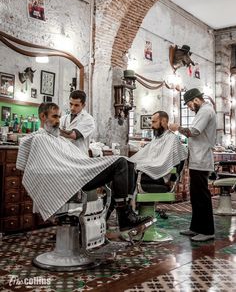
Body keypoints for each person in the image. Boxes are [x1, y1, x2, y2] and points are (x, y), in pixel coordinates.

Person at [16, 102, 152, 232]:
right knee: (120, 163)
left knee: (127, 162)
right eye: (55, 116)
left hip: (79, 172)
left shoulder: (58, 138)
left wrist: (85, 165)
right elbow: (38, 168)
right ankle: (124, 217)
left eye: (59, 116)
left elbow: (71, 158)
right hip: (72, 177)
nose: (58, 120)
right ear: (43, 117)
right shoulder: (40, 138)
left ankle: (126, 212)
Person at [169, 88, 216, 242]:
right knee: (195, 196)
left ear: (196, 99)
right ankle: (195, 227)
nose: (189, 107)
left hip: (202, 159)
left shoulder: (205, 110)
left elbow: (193, 132)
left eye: (189, 104)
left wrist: (177, 128)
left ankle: (207, 231)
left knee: (202, 195)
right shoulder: (202, 111)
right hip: (197, 158)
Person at [129, 111, 188, 183]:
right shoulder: (156, 138)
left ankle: (123, 194)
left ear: (163, 121)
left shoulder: (172, 138)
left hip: (160, 175)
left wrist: (141, 166)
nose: (151, 126)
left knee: (128, 172)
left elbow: (163, 163)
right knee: (127, 166)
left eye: (154, 122)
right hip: (152, 170)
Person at [60, 90, 95, 156]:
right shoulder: (64, 118)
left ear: (83, 105)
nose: (72, 108)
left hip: (79, 157)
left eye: (76, 105)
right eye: (71, 104)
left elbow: (73, 135)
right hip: (65, 156)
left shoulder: (88, 119)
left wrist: (55, 131)